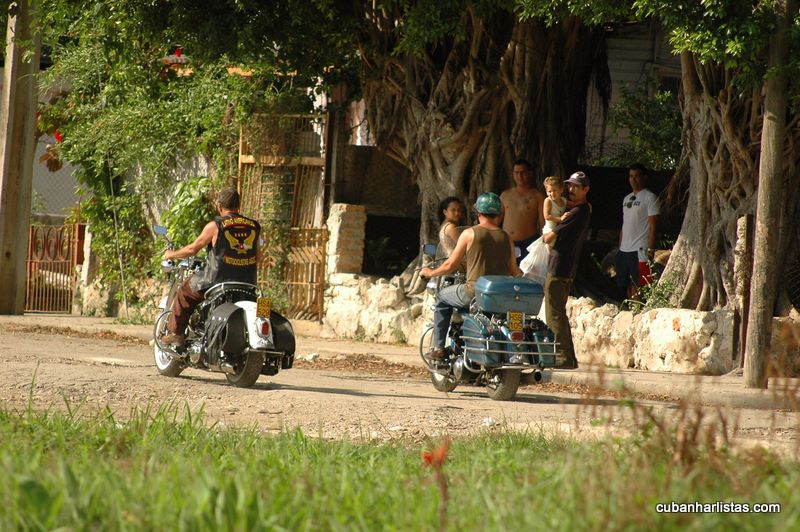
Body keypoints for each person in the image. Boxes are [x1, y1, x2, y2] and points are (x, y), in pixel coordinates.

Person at [421, 192, 521, 359]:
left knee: (441, 299)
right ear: (498, 214)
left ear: (478, 213)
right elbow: (513, 270)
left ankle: (438, 347)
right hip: (500, 295)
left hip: (474, 292)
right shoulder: (506, 237)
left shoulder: (469, 234)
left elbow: (450, 264)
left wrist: (430, 272)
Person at [161, 187, 261, 346]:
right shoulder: (254, 226)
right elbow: (258, 256)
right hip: (247, 283)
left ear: (220, 206)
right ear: (239, 206)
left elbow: (192, 249)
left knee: (184, 292)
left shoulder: (216, 225)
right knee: (262, 303)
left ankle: (177, 334)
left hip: (215, 281)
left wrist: (170, 254)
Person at [542, 172, 592, 370]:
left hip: (559, 267)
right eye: (569, 186)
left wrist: (546, 235)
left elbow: (549, 237)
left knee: (554, 313)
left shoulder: (576, 213)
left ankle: (562, 356)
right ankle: (568, 358)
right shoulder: (582, 210)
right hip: (567, 267)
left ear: (585, 190)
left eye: (576, 187)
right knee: (558, 312)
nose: (571, 189)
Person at [616, 163, 660, 299]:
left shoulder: (650, 198)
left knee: (640, 283)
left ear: (644, 178)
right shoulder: (626, 198)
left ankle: (638, 312)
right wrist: (620, 246)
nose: (633, 180)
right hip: (624, 249)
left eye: (637, 176)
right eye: (631, 176)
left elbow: (654, 227)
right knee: (627, 283)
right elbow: (625, 224)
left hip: (640, 249)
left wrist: (650, 250)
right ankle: (631, 311)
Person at [519, 176, 569, 283]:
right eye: (549, 191)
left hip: (559, 230)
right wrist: (560, 219)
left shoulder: (564, 201)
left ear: (561, 190)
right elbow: (547, 216)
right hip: (550, 229)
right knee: (549, 251)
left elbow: (573, 205)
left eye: (555, 191)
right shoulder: (548, 201)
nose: (552, 194)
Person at [500, 159, 545, 264]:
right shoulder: (505, 195)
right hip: (507, 243)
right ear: (512, 174)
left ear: (530, 173)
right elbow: (497, 221)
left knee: (525, 276)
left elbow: (544, 224)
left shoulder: (538, 197)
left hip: (528, 244)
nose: (519, 176)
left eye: (523, 172)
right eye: (516, 173)